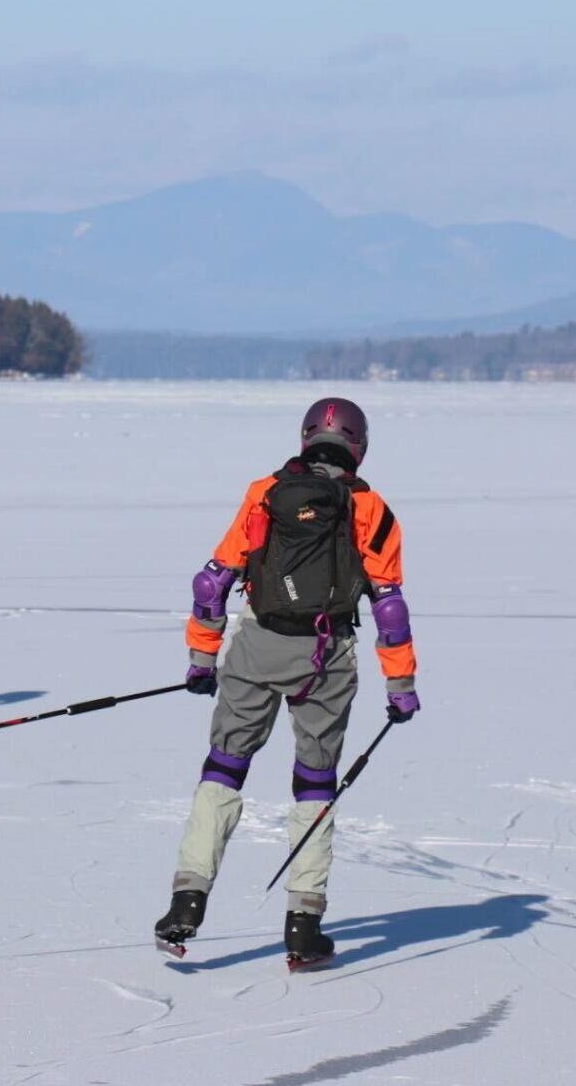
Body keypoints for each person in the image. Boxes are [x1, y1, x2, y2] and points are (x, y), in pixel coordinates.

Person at [154, 397, 419, 968]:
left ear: (305, 438)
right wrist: (400, 686)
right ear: (359, 445)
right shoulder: (373, 508)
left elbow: (213, 582)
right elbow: (390, 609)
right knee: (315, 783)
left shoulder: (264, 493)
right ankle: (304, 925)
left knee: (224, 768)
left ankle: (188, 898)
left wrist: (202, 660)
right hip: (329, 656)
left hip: (255, 647)